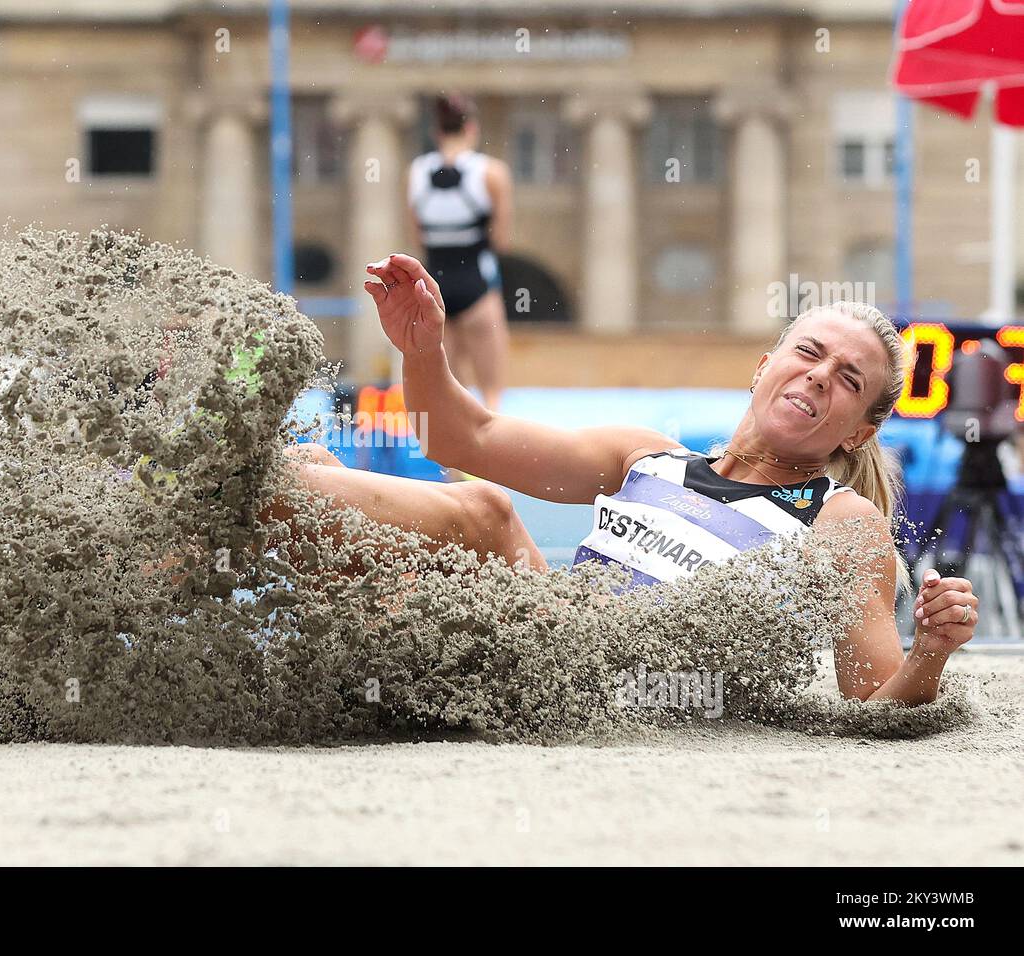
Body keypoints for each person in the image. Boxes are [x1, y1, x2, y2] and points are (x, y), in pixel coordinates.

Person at [273, 253, 980, 707]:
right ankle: (215, 534)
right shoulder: (648, 457)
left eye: (848, 380)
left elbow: (873, 699)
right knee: (320, 473)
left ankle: (239, 484)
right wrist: (423, 351)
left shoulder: (842, 521)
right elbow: (462, 436)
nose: (819, 376)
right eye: (809, 354)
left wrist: (928, 655)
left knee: (487, 512)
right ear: (766, 366)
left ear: (858, 430)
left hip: (594, 687)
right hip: (513, 647)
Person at [406, 92, 513, 412]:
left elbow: (417, 238)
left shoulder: (416, 173)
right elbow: (502, 240)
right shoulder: (492, 172)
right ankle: (492, 462)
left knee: (452, 397)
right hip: (475, 285)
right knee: (492, 394)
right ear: (473, 130)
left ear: (437, 133)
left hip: (435, 286)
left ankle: (455, 464)